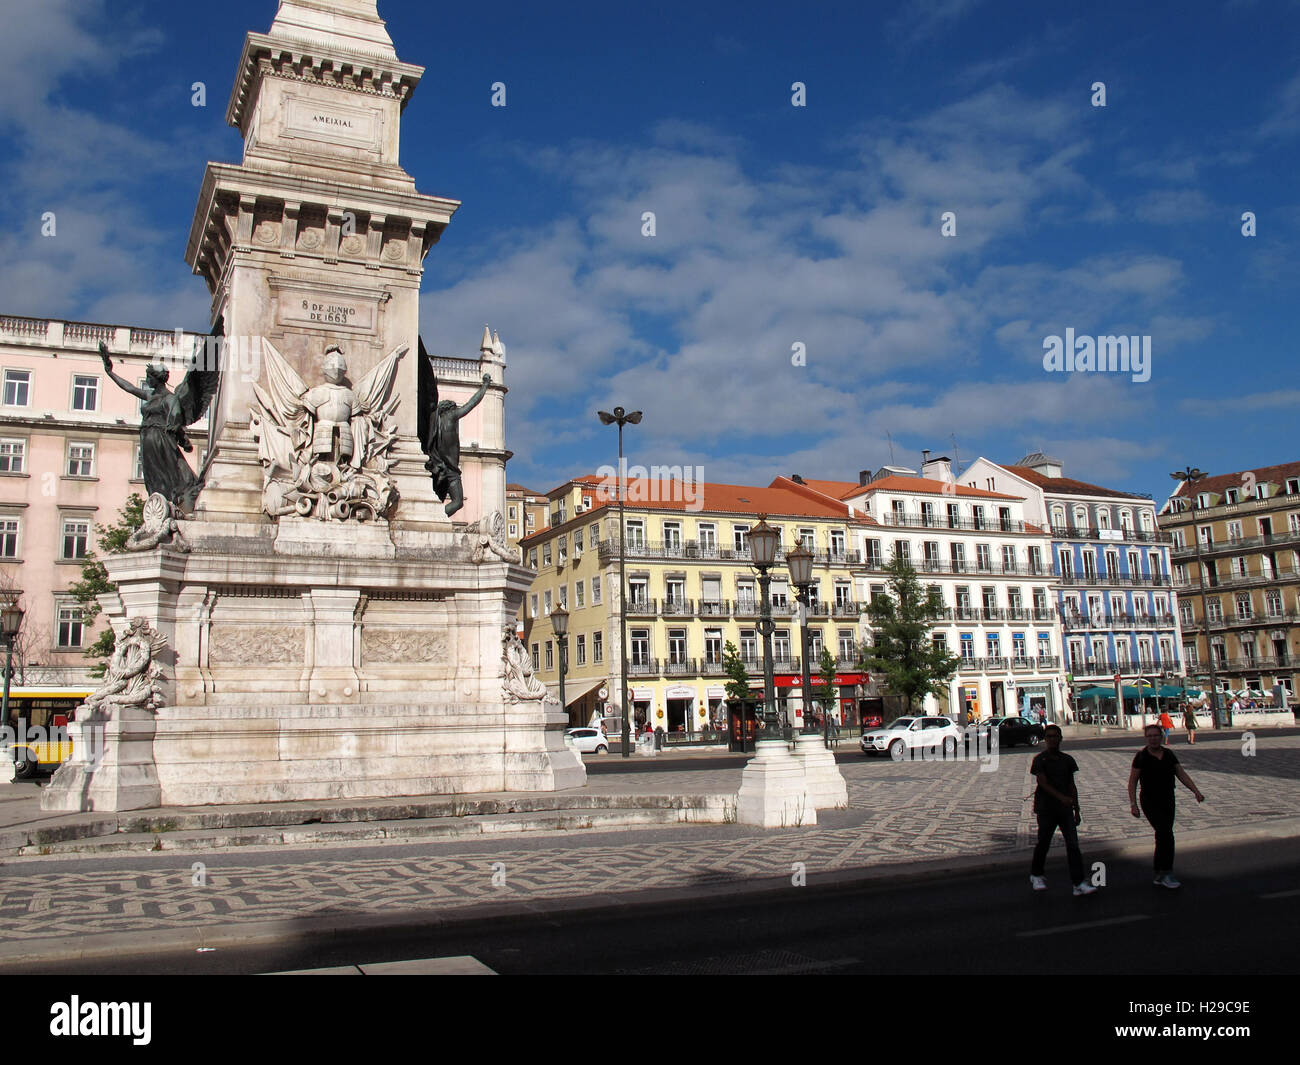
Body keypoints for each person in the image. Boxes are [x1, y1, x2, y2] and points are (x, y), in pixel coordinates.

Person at [1127, 724, 1205, 889]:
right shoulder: (1141, 757)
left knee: (1162, 835)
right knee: (1165, 834)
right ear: (1146, 738)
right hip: (1149, 801)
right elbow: (1132, 781)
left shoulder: (1168, 754)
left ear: (1161, 737)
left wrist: (1195, 791)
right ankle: (1167, 872)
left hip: (1168, 799)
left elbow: (1181, 773)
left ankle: (1159, 873)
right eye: (1150, 736)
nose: (1153, 738)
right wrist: (1133, 804)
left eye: (1156, 735)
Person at [1028, 724, 1098, 896]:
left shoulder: (1067, 760)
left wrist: (1076, 808)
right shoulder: (1039, 759)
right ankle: (1036, 874)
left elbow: (1071, 785)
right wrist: (1062, 798)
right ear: (1045, 739)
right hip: (1046, 808)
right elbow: (1042, 783)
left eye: (1055, 736)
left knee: (1073, 845)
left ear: (1060, 738)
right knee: (1044, 842)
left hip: (1065, 809)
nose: (1052, 739)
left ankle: (1078, 882)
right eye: (1049, 736)